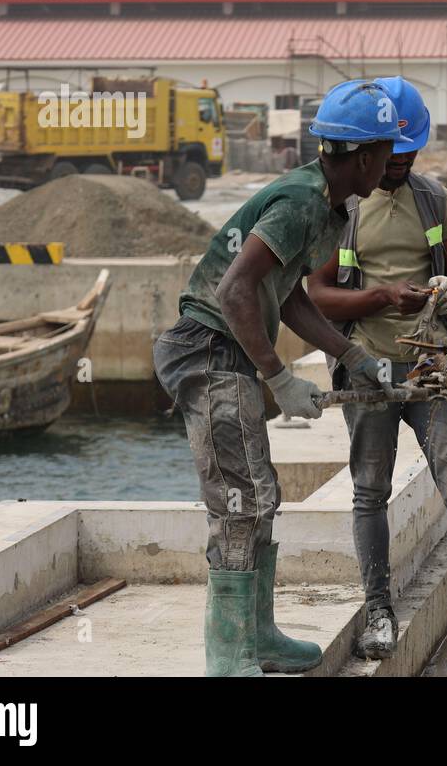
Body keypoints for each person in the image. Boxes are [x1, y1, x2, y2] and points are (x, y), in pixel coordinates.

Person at [153, 80, 410, 677]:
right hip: (208, 350)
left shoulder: (327, 204)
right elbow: (235, 289)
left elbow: (286, 292)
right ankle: (229, 654)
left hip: (227, 352)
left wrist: (350, 353)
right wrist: (278, 377)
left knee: (258, 493)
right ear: (365, 156)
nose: (390, 163)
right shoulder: (301, 203)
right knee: (239, 500)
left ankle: (258, 636)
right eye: (387, 152)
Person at [308, 77, 447, 663]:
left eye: (408, 153)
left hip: (430, 370)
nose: (398, 163)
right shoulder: (339, 208)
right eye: (390, 153)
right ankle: (378, 610)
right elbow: (315, 294)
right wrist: (379, 300)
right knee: (370, 493)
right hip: (367, 369)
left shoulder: (433, 200)